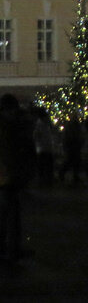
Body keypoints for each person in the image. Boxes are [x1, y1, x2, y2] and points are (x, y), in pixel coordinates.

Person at [0, 94, 36, 266]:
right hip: (8, 176)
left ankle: (11, 248)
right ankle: (12, 250)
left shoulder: (10, 125)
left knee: (9, 214)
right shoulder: (9, 127)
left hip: (9, 176)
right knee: (10, 214)